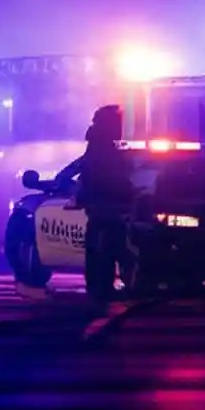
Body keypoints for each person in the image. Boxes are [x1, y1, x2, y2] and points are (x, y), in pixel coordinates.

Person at [77, 104, 136, 301]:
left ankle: (101, 289)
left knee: (103, 250)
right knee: (111, 248)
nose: (121, 127)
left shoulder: (98, 146)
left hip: (101, 207)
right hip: (107, 207)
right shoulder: (103, 150)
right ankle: (104, 290)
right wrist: (129, 191)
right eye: (118, 122)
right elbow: (109, 178)